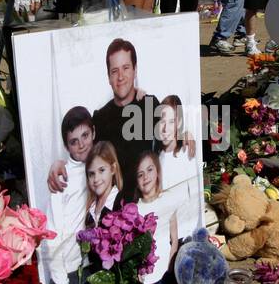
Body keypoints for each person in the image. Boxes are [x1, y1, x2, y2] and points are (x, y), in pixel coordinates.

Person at [46, 37, 194, 201]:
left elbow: (167, 137)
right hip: (117, 212)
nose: (121, 77)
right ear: (108, 76)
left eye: (126, 68)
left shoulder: (150, 105)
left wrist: (184, 134)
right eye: (115, 71)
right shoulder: (100, 118)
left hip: (151, 201)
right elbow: (84, 154)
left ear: (135, 70)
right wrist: (60, 164)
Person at [46, 106, 96, 284]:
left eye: (85, 136)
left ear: (94, 133)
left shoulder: (101, 165)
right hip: (67, 274)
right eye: (74, 142)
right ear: (67, 146)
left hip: (92, 268)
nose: (82, 145)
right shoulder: (62, 178)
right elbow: (52, 237)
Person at [134, 151, 180, 284]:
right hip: (146, 282)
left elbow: (174, 240)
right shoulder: (135, 209)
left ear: (158, 172)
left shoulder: (168, 200)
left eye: (150, 170)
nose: (145, 176)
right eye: (140, 174)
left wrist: (170, 269)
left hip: (166, 276)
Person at [156, 94, 201, 236]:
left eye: (171, 122)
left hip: (185, 230)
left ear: (179, 123)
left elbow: (194, 196)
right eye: (162, 121)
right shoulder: (155, 155)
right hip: (163, 228)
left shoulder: (187, 151)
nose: (165, 128)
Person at [82, 141, 124, 230]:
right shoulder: (90, 211)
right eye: (91, 174)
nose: (96, 179)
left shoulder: (122, 203)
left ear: (113, 169)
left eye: (101, 170)